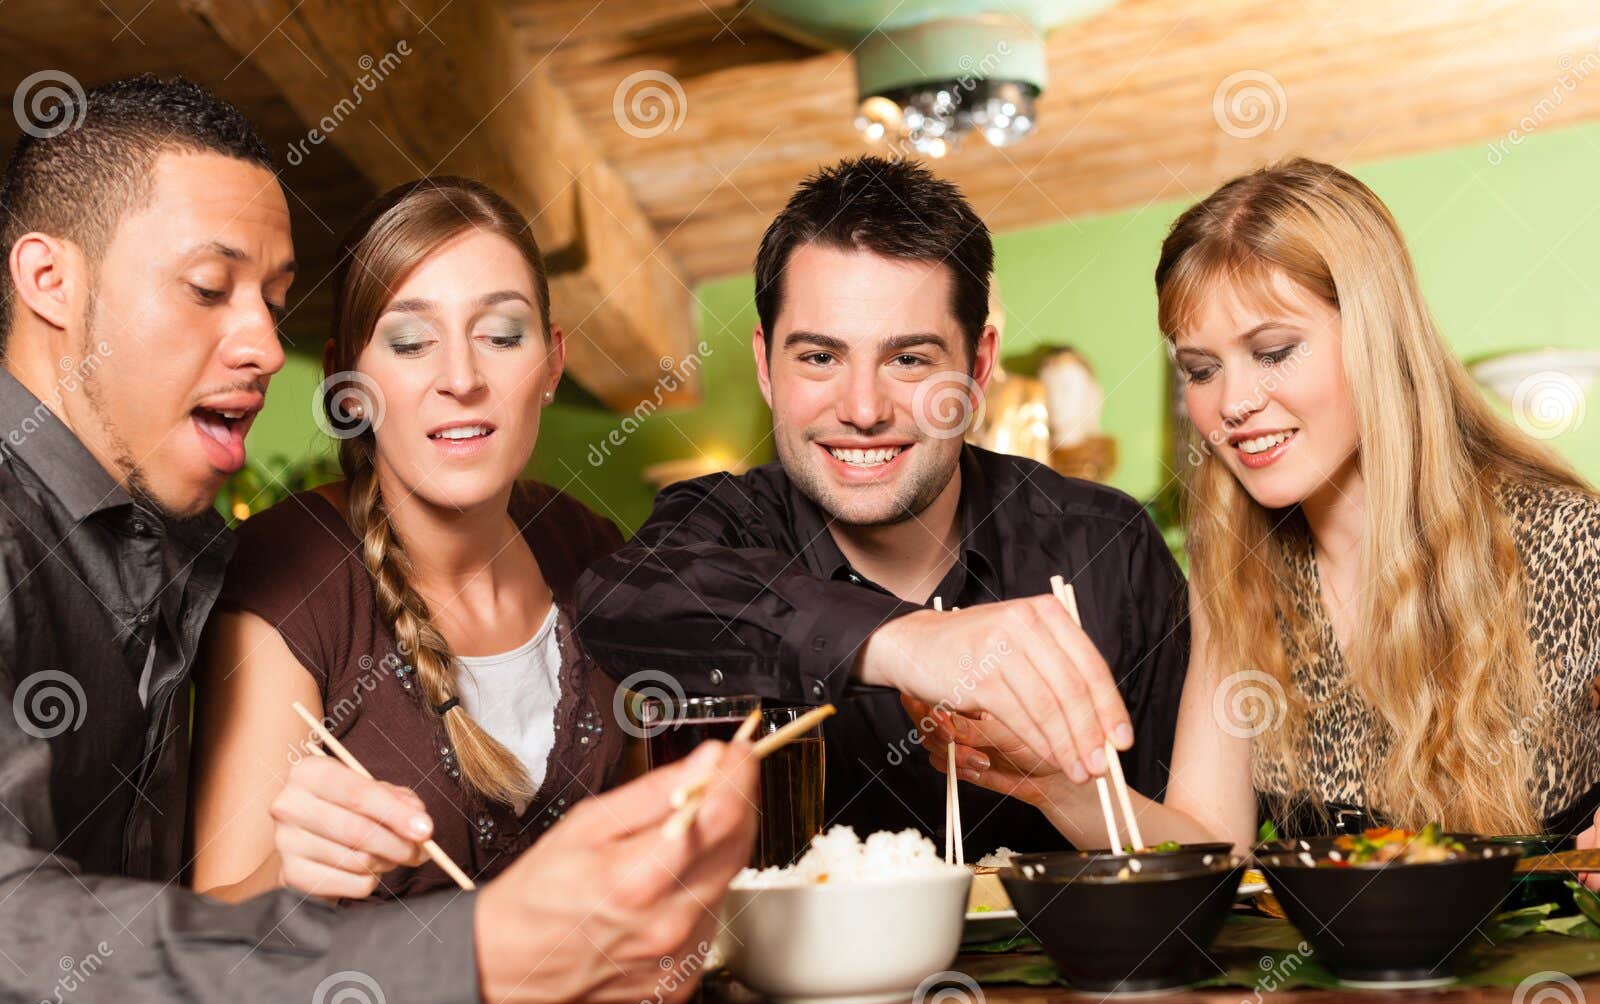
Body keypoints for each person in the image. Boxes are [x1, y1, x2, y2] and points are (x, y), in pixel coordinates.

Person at [0, 74, 756, 1004]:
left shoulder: (160, 537)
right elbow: (21, 939)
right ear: (50, 280)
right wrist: (468, 950)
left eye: (273, 301)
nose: (269, 346)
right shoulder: (234, 561)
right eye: (207, 286)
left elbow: (154, 968)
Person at [933, 158, 1600, 853]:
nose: (1232, 403)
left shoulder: (1568, 541)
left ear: (1379, 338)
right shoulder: (1238, 578)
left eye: (1274, 350)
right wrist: (1055, 781)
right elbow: (1211, 850)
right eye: (1201, 369)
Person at [577, 156, 1189, 856]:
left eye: (909, 360)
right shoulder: (722, 525)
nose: (863, 410)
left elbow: (1192, 853)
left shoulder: (1106, 546)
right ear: (764, 365)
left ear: (979, 366)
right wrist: (903, 641)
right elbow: (618, 602)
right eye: (819, 358)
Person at [189, 177, 627, 902]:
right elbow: (213, 934)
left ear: (550, 364)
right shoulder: (289, 572)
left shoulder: (586, 545)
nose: (461, 377)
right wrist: (290, 880)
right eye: (410, 341)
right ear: (347, 384)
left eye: (501, 335)